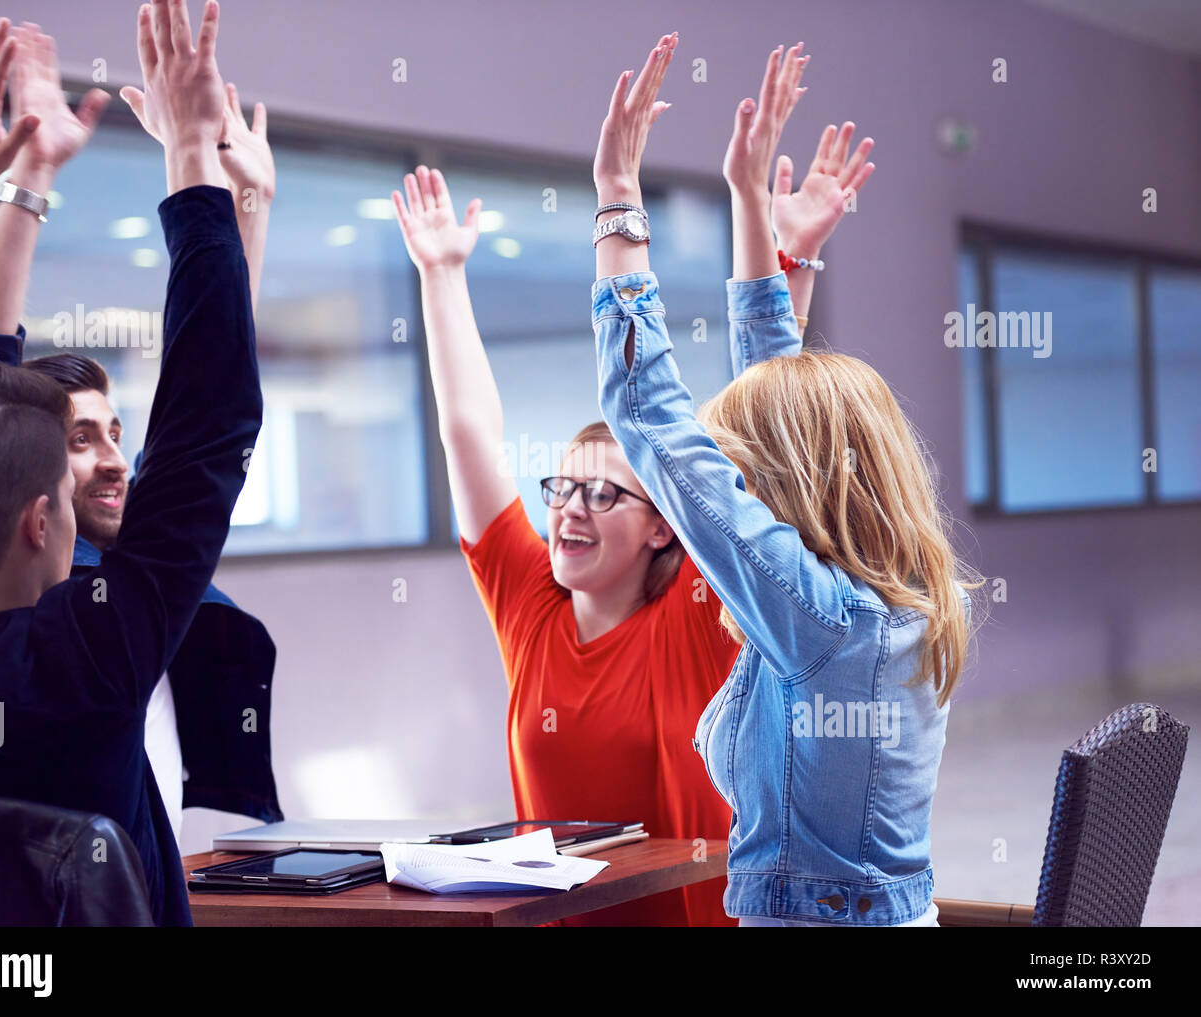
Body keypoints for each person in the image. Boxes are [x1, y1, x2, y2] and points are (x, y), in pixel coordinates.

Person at [390, 43, 873, 924]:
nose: (569, 508)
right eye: (561, 489)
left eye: (602, 494)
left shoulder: (699, 608)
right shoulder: (529, 603)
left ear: (663, 526)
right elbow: (468, 433)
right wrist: (441, 275)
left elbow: (761, 449)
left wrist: (789, 262)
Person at [592, 31, 980, 926]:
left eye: (746, 474)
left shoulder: (823, 621)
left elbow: (649, 412)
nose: (736, 486)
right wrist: (761, 227)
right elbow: (788, 419)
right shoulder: (896, 599)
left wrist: (618, 199)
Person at [0, 0, 259, 925]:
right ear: (38, 518)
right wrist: (194, 158)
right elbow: (206, 427)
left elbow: (201, 429)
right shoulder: (83, 662)